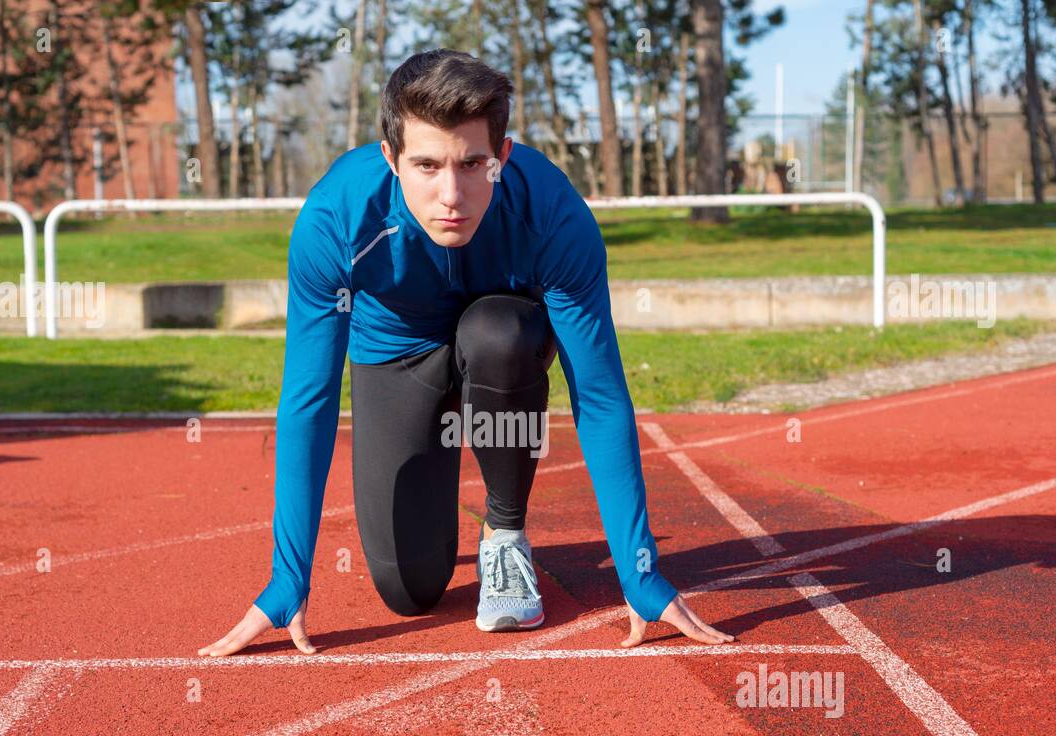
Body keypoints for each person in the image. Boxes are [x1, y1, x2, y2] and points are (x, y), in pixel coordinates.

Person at [199, 49, 734, 658]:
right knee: (409, 588)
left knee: (497, 332)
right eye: (426, 165)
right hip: (397, 352)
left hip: (499, 340)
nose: (451, 194)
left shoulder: (555, 215)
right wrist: (287, 578)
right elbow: (309, 401)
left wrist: (640, 575)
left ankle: (504, 533)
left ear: (502, 158)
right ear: (390, 159)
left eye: (472, 163)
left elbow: (602, 395)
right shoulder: (335, 221)